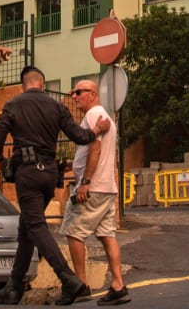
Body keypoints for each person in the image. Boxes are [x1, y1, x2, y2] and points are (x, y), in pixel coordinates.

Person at [0, 66, 110, 306]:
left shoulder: (13, 105)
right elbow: (81, 137)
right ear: (42, 84)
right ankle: (13, 287)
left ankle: (68, 279)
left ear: (24, 85)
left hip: (27, 174)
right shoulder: (57, 106)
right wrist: (96, 129)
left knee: (35, 225)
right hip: (49, 175)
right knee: (27, 227)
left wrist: (3, 162)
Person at [59, 79, 130, 305]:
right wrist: (72, 164)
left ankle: (81, 285)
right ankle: (118, 284)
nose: (74, 96)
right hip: (107, 188)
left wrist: (85, 181)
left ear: (92, 94)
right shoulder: (106, 117)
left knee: (73, 231)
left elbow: (95, 147)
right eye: (73, 92)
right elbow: (94, 150)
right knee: (107, 234)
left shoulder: (93, 116)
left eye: (79, 92)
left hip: (93, 188)